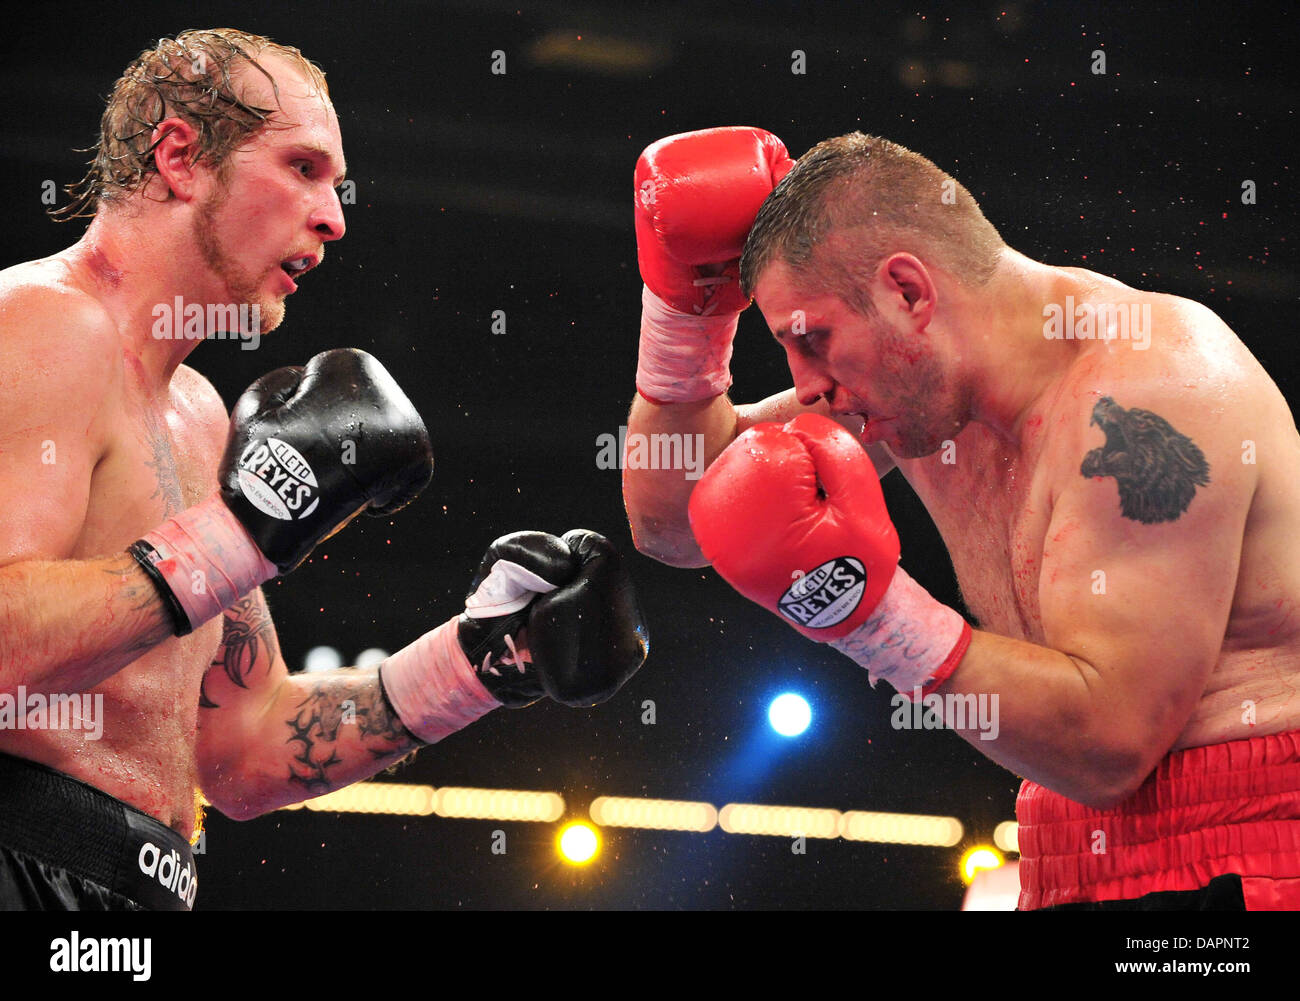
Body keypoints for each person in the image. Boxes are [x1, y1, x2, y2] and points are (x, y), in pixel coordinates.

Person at [0, 29, 646, 912]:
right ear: (181, 155)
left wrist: (485, 659)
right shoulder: (42, 324)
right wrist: (237, 536)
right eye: (303, 168)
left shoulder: (196, 419)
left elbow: (244, 752)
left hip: (138, 894)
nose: (335, 216)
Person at [624, 126, 1300, 910]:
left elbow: (1109, 748)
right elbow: (676, 518)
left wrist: (868, 613)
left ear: (908, 291)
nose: (805, 387)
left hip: (1252, 856)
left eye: (812, 341)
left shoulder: (1147, 393)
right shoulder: (912, 397)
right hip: (1062, 845)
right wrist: (686, 317)